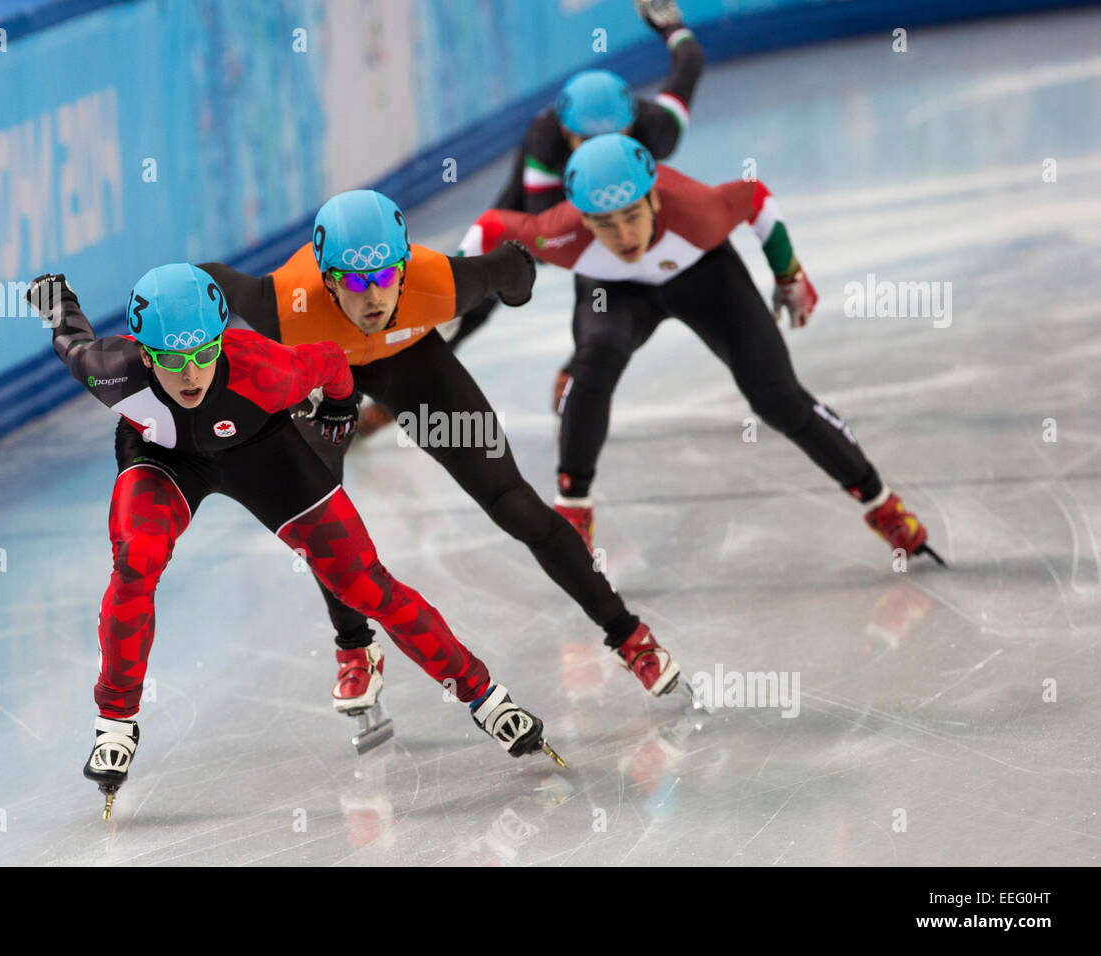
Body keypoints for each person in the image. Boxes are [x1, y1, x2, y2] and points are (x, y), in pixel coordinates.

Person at [24, 266, 560, 818]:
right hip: (163, 457)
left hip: (265, 452)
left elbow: (331, 361)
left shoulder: (263, 367)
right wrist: (56, 299)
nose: (191, 375)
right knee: (135, 563)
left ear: (218, 343)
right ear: (143, 352)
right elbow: (72, 339)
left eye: (203, 355)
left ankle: (486, 697)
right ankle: (115, 722)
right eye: (172, 359)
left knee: (365, 586)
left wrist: (338, 406)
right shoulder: (110, 371)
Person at [196, 188, 690, 722]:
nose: (372, 297)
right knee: (319, 518)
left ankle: (627, 633)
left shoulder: (444, 281)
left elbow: (512, 267)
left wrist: (519, 279)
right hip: (322, 372)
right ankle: (355, 646)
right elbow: (212, 281)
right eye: (354, 281)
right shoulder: (281, 305)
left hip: (412, 364)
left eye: (385, 276)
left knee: (514, 502)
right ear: (326, 279)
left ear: (405, 270)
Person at [457, 133, 945, 564]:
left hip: (703, 276)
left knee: (776, 398)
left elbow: (756, 197)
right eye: (604, 223)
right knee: (592, 367)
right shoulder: (558, 231)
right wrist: (452, 285)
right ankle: (574, 509)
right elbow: (491, 226)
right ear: (582, 218)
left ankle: (881, 503)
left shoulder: (698, 211)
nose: (625, 235)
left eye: (632, 215)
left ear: (653, 201)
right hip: (614, 294)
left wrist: (789, 272)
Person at [356, 0, 705, 434]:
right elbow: (550, 238)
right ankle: (402, 382)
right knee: (482, 287)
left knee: (615, 277)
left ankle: (582, 362)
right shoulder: (545, 138)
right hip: (537, 212)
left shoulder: (658, 128)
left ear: (633, 130)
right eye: (583, 142)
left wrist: (671, 27)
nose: (598, 155)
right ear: (565, 132)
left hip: (601, 210)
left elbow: (690, 58)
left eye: (612, 141)